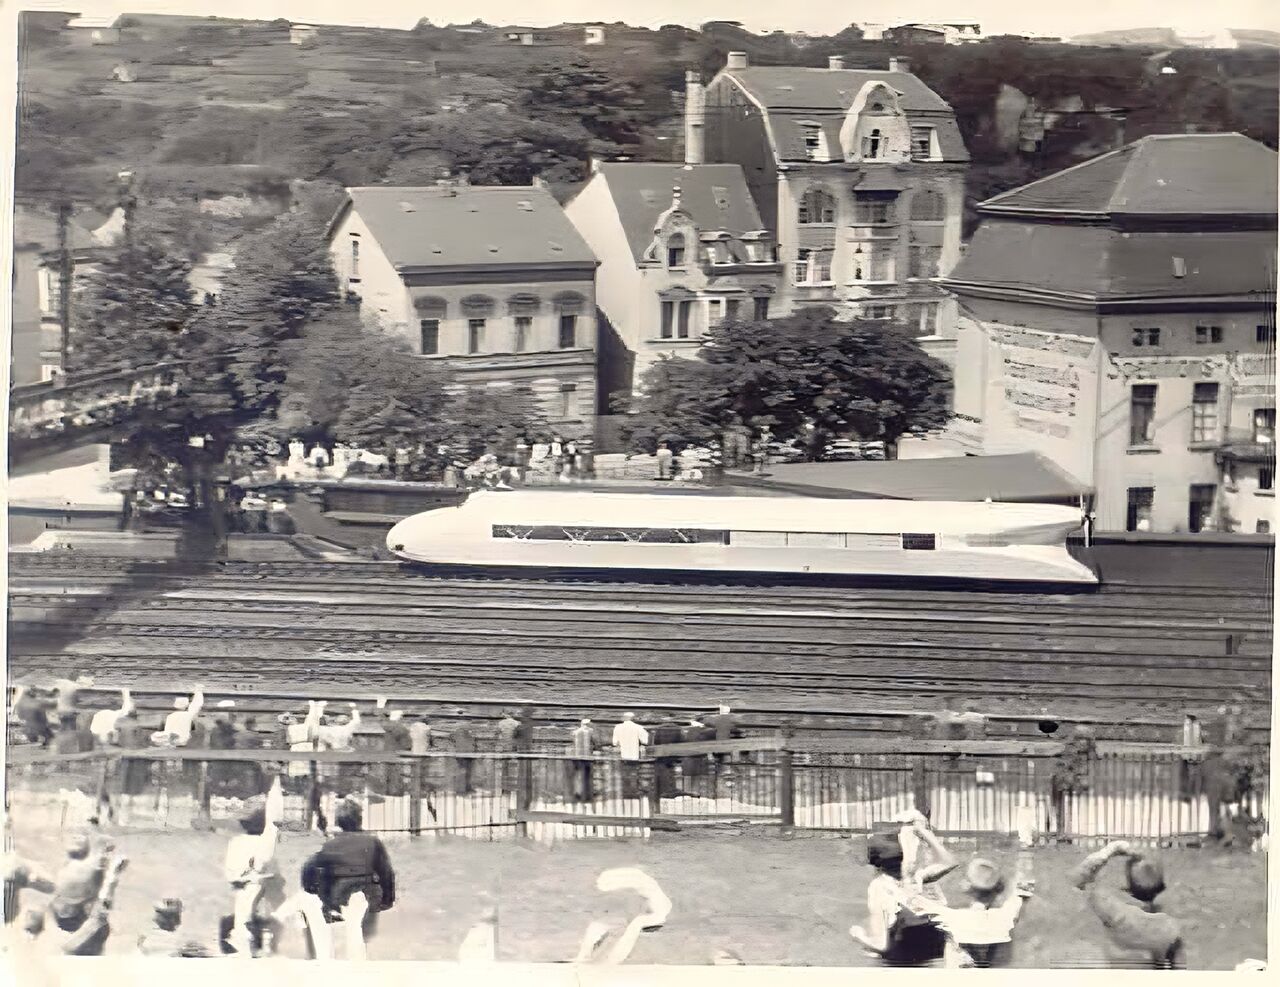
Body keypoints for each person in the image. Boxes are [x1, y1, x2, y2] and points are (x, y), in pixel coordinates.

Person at [849, 817, 957, 967]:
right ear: (902, 856)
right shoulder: (917, 877)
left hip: (903, 964)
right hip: (934, 960)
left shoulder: (879, 887)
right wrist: (924, 832)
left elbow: (880, 944)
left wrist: (858, 935)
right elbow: (950, 862)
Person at [1071, 839, 1184, 968]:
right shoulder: (1169, 927)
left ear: (1127, 887)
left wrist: (1111, 850)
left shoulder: (1114, 912)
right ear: (1161, 886)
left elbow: (1078, 879)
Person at [307, 799, 396, 959]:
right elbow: (386, 873)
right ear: (359, 819)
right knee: (363, 931)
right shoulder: (373, 842)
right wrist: (387, 900)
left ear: (338, 822)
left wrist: (322, 898)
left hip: (339, 897)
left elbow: (313, 873)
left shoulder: (330, 845)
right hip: (368, 894)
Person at [917, 858, 1034, 968]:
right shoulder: (1005, 918)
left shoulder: (951, 918)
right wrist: (1025, 861)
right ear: (998, 890)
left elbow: (921, 887)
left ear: (966, 886)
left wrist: (928, 872)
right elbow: (1023, 892)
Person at [224, 777, 285, 956]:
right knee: (254, 910)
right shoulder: (266, 840)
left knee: (244, 911)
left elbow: (232, 869)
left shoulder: (237, 842)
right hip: (259, 881)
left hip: (247, 882)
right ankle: (258, 940)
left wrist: (236, 877)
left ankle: (245, 940)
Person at [612, 712, 649, 799]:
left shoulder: (617, 727)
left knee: (624, 774)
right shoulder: (638, 727)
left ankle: (625, 793)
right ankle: (633, 793)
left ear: (624, 718)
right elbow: (645, 741)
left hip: (622, 755)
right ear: (633, 718)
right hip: (634, 755)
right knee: (634, 774)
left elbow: (614, 742)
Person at [648, 716, 683, 799]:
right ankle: (671, 794)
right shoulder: (678, 728)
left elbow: (656, 742)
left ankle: (661, 795)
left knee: (662, 777)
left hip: (662, 756)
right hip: (673, 756)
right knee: (672, 777)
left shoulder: (659, 729)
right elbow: (681, 742)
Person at [569, 719, 597, 803]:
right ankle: (586, 795)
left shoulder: (575, 732)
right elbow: (595, 743)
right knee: (587, 775)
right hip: (587, 757)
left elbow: (573, 744)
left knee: (578, 774)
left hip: (577, 756)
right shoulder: (591, 731)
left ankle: (578, 793)